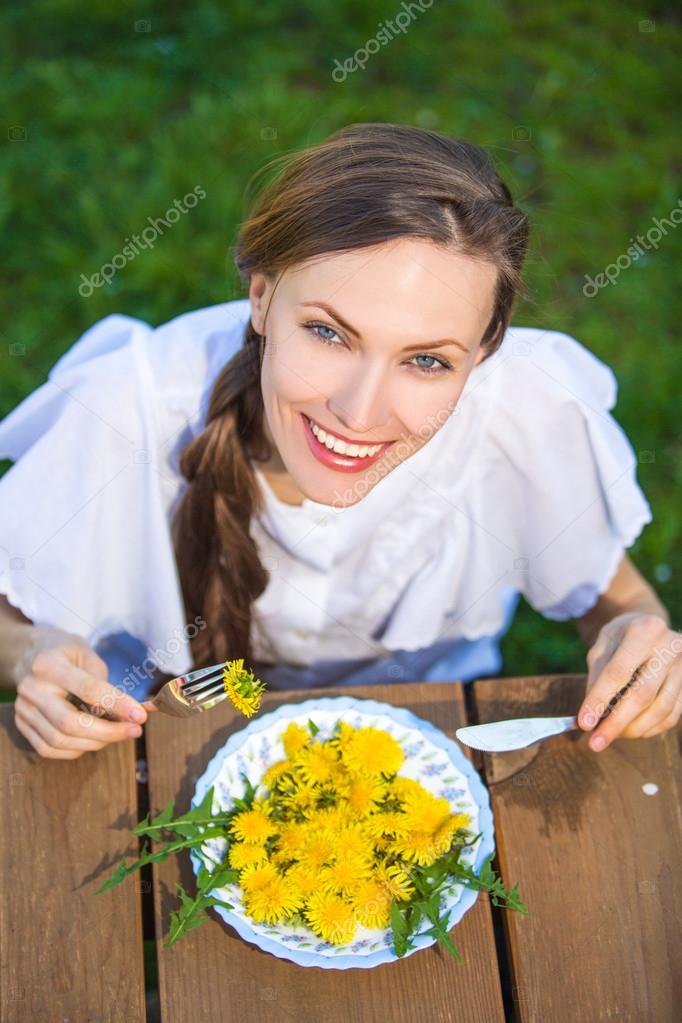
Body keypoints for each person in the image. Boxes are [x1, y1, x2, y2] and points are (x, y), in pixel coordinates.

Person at [1, 122, 678, 761]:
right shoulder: (128, 408)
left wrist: (633, 637)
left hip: (428, 733)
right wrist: (34, 652)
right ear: (262, 297)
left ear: (484, 352)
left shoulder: (527, 412)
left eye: (427, 360)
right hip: (161, 733)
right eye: (329, 332)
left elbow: (610, 598)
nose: (358, 412)